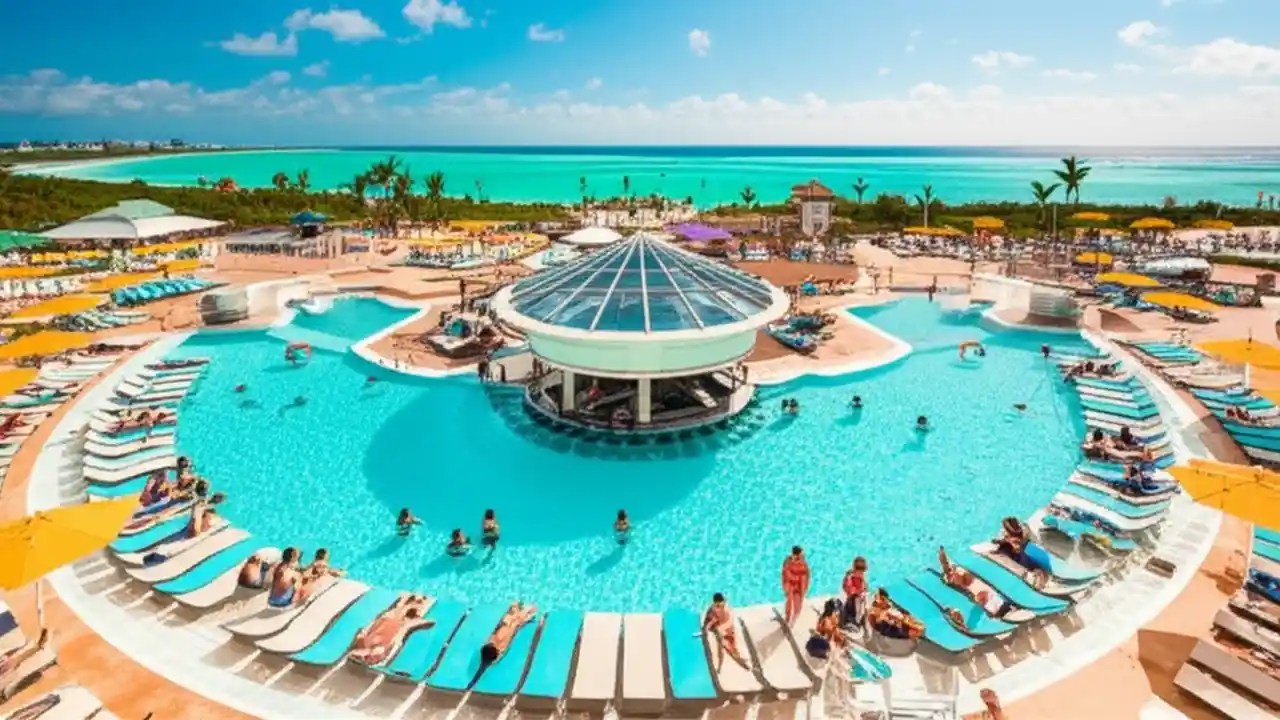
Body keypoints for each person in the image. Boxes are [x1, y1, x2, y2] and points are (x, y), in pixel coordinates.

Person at [349, 595, 435, 665]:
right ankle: (417, 603)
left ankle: (415, 603)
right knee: (410, 609)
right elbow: (403, 629)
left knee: (405, 609)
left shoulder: (372, 645)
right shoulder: (380, 647)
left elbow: (357, 650)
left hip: (390, 620)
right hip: (394, 621)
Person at [480, 602, 538, 666]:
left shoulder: (499, 641)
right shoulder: (495, 642)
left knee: (522, 615)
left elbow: (512, 625)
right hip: (511, 622)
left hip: (512, 623)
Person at [701, 593, 748, 671]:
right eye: (718, 605)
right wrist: (708, 627)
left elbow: (730, 619)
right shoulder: (713, 610)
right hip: (719, 629)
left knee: (733, 646)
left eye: (721, 604)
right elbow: (708, 622)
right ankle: (720, 666)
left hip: (725, 628)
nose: (720, 605)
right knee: (721, 647)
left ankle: (739, 658)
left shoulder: (725, 607)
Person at [781, 546, 811, 624]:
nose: (803, 555)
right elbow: (786, 573)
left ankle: (795, 615)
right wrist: (796, 578)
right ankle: (788, 617)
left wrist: (803, 583)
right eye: (801, 554)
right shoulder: (787, 561)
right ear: (796, 554)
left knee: (798, 602)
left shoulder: (803, 561)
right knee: (789, 601)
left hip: (799, 584)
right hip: (790, 584)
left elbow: (806, 573)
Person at [841, 556, 869, 628]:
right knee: (856, 601)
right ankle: (855, 621)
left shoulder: (861, 576)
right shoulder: (849, 577)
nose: (861, 574)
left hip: (858, 599)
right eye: (859, 572)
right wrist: (857, 592)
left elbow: (865, 586)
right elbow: (848, 589)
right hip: (851, 600)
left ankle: (861, 619)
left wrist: (863, 591)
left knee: (864, 602)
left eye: (862, 572)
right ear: (854, 569)